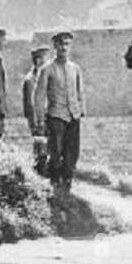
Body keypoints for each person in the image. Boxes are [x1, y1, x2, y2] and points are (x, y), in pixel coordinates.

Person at [37, 31, 85, 196]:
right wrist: (39, 120)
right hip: (56, 116)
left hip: (73, 116)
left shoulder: (75, 68)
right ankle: (55, 184)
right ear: (55, 46)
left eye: (67, 44)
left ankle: (67, 184)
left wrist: (80, 110)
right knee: (56, 152)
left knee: (72, 152)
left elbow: (80, 92)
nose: (64, 47)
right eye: (61, 44)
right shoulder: (47, 69)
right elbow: (39, 95)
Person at [22, 45, 50, 175]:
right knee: (40, 150)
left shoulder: (45, 76)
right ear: (38, 60)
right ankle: (40, 174)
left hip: (48, 118)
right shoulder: (31, 80)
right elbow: (30, 104)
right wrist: (35, 123)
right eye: (45, 58)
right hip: (39, 120)